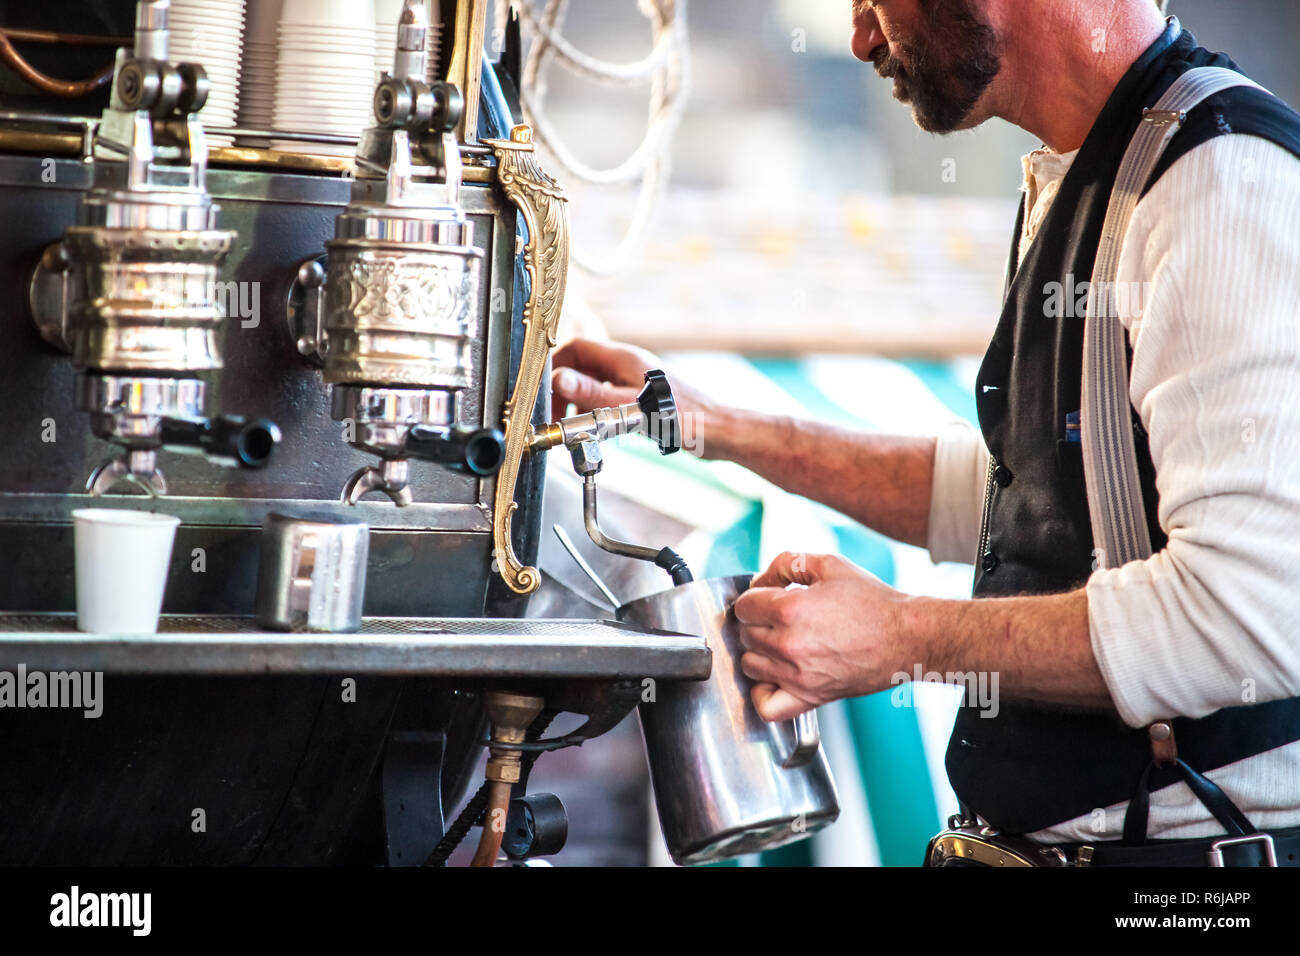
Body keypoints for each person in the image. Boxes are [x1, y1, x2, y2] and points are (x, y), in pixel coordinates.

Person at [551, 0, 1300, 864]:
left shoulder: (1219, 182)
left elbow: (1246, 614)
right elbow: (1017, 503)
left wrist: (899, 637)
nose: (863, 37)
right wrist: (709, 423)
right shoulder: (1099, 170)